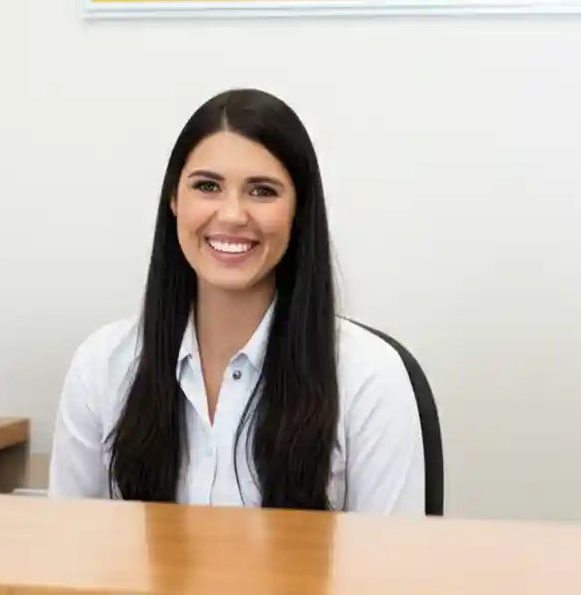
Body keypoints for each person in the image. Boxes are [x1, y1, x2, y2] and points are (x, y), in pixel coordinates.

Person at [48, 88, 424, 514]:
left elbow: (391, 570)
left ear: (299, 211)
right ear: (174, 200)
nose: (231, 215)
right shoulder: (101, 365)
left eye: (262, 191)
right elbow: (70, 556)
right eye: (207, 186)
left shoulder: (370, 377)